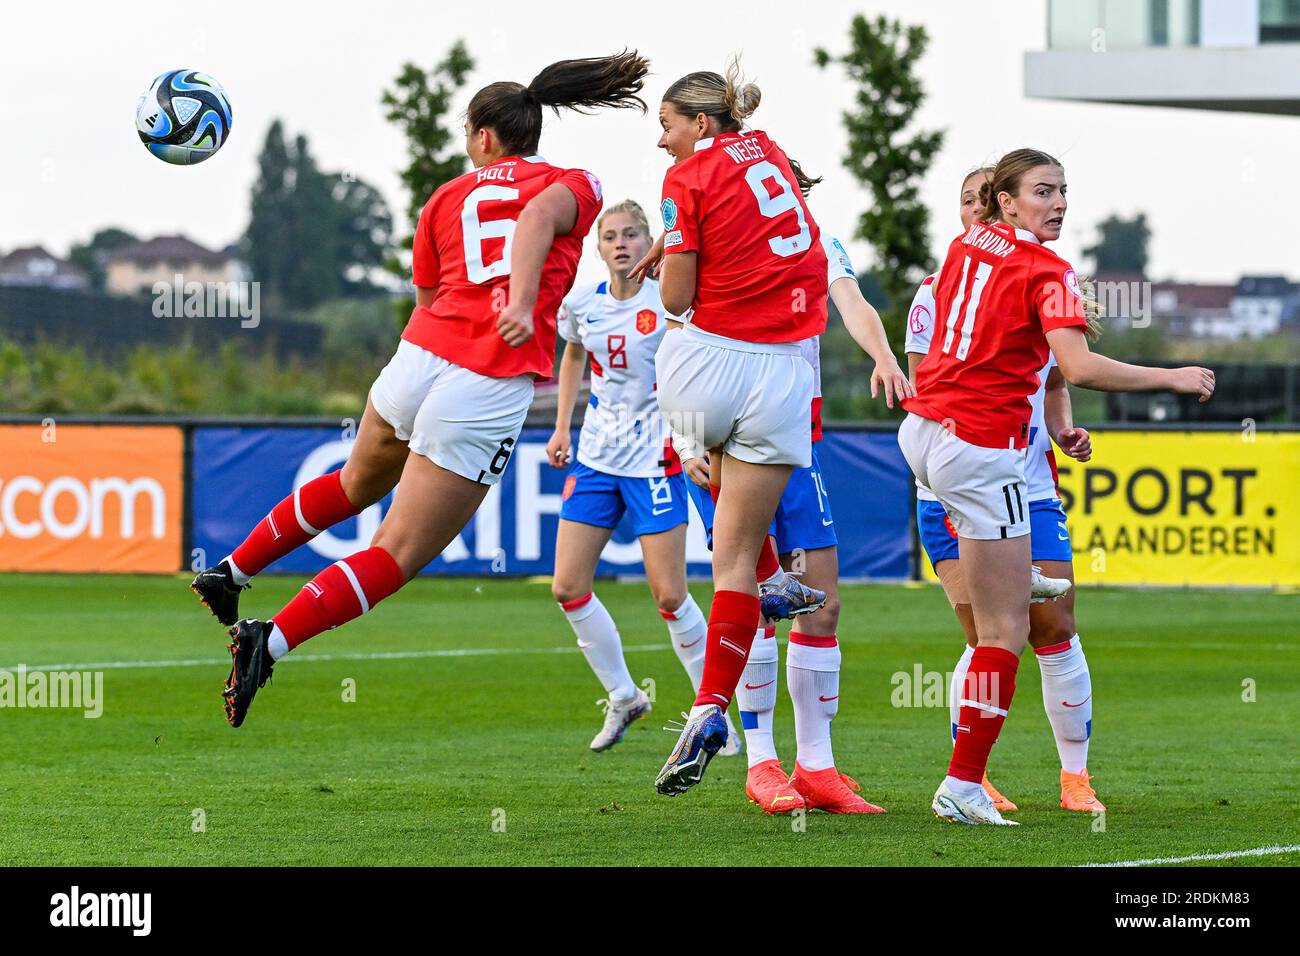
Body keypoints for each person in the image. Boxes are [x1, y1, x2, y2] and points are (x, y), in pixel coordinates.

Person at [191, 52, 651, 728]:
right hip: (487, 376)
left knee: (352, 486)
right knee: (396, 553)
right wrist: (522, 303)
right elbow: (532, 222)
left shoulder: (444, 198)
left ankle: (230, 572)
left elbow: (432, 294)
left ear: (484, 137)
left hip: (417, 358)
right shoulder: (574, 181)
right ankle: (269, 640)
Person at [897, 147, 1214, 825]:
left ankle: (1017, 575)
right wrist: (1172, 377)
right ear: (1006, 200)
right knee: (1005, 631)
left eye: (1064, 190)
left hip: (924, 436)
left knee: (1016, 602)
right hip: (980, 450)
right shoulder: (1048, 267)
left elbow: (1009, 350)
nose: (1060, 203)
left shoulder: (965, 244)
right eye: (1043, 191)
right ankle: (962, 783)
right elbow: (1076, 362)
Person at [634, 58, 832, 797]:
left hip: (707, 364)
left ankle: (703, 465)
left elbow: (679, 297)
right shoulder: (771, 149)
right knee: (739, 564)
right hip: (784, 373)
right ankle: (710, 707)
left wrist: (668, 258)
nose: (662, 141)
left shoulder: (684, 178)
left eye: (667, 125)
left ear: (701, 123)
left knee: (710, 502)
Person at [682, 230, 911, 813]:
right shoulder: (717, 244)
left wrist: (883, 356)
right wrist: (686, 436)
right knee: (752, 596)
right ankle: (762, 762)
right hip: (728, 444)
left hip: (795, 440)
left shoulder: (816, 241)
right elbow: (677, 338)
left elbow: (852, 304)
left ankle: (816, 766)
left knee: (821, 601)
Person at [906, 166, 1103, 815]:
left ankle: (1073, 777)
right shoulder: (941, 288)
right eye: (968, 200)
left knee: (1053, 626)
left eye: (984, 199)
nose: (977, 211)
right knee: (991, 632)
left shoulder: (1025, 275)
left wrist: (1061, 429)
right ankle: (968, 779)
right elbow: (927, 386)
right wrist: (1175, 377)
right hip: (962, 475)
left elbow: (1054, 377)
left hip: (1027, 482)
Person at [545, 199, 740, 754]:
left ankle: (711, 715)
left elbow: (696, 371)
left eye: (632, 234)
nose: (622, 243)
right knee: (567, 585)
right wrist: (563, 427)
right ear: (599, 247)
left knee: (670, 595)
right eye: (611, 236)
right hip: (596, 456)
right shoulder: (582, 302)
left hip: (655, 457)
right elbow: (572, 358)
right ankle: (624, 696)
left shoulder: (670, 301)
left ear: (648, 240)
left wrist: (697, 438)